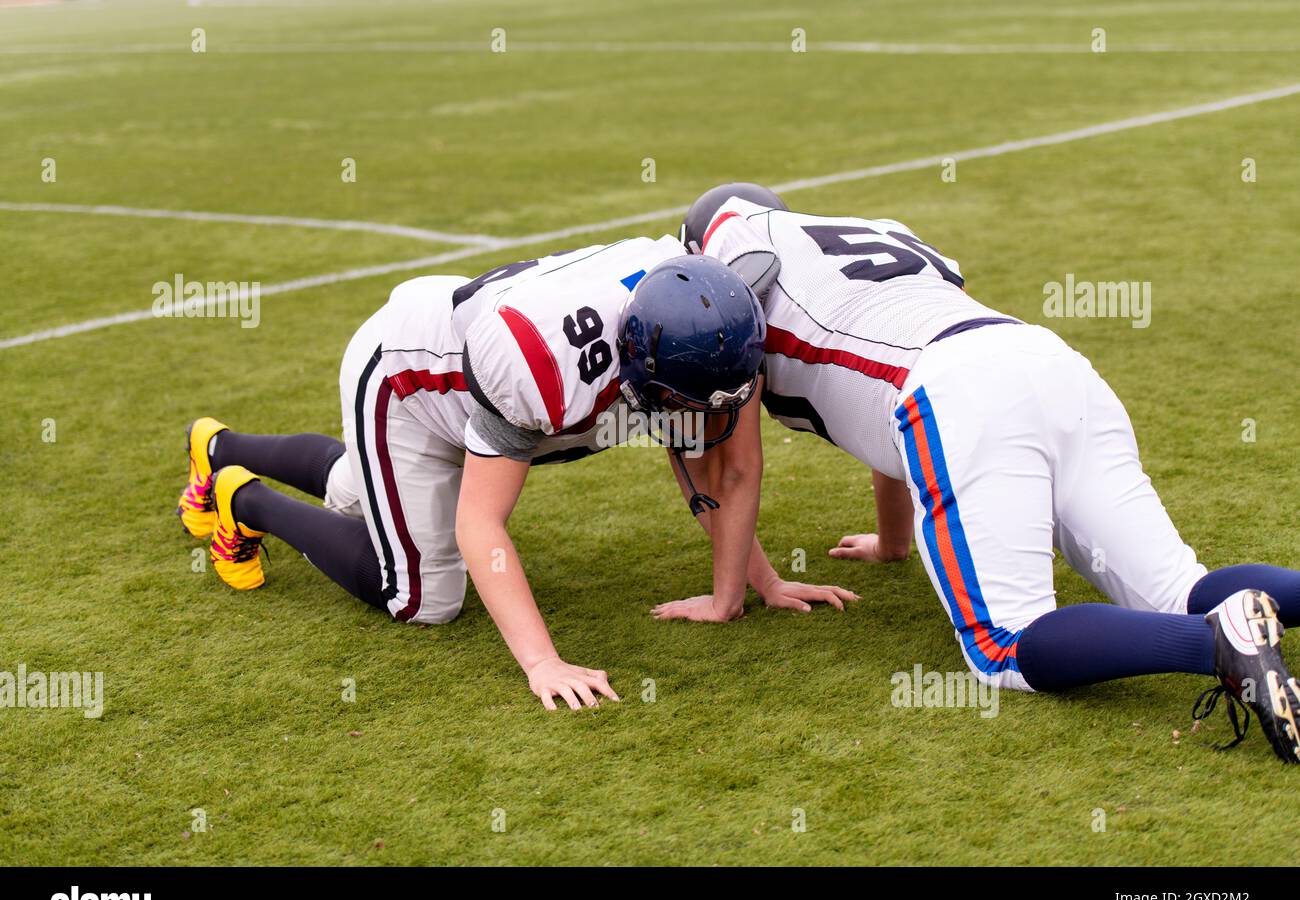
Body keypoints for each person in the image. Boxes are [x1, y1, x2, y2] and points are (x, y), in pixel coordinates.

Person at [684, 182, 1300, 762]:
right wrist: (894, 543)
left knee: (1002, 644)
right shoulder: (868, 229)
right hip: (1049, 362)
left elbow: (736, 468)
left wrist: (726, 597)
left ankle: (1215, 645)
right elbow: (878, 402)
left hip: (956, 394)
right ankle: (1226, 622)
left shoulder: (734, 262)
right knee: (1178, 590)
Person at [175, 242, 852, 710]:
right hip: (411, 383)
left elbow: (710, 467)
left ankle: (221, 444)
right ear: (643, 371)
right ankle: (241, 497)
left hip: (475, 365)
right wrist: (543, 663)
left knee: (358, 491)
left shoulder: (702, 315)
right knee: (422, 597)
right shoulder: (544, 370)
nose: (712, 417)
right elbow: (481, 521)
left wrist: (757, 582)